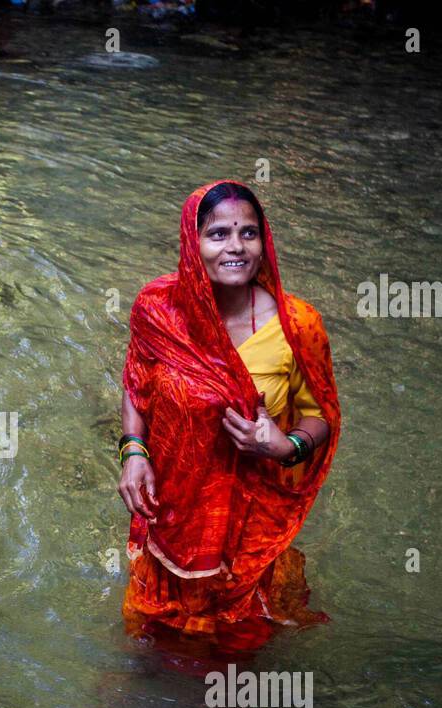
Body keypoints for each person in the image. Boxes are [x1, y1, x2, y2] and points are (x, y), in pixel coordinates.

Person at [117, 180, 341, 645]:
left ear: (264, 242)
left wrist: (285, 446)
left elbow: (320, 415)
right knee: (148, 646)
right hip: (174, 515)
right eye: (218, 234)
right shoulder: (158, 310)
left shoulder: (298, 325)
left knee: (234, 649)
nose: (236, 247)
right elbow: (137, 388)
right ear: (191, 243)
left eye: (249, 233)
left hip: (250, 523)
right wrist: (134, 453)